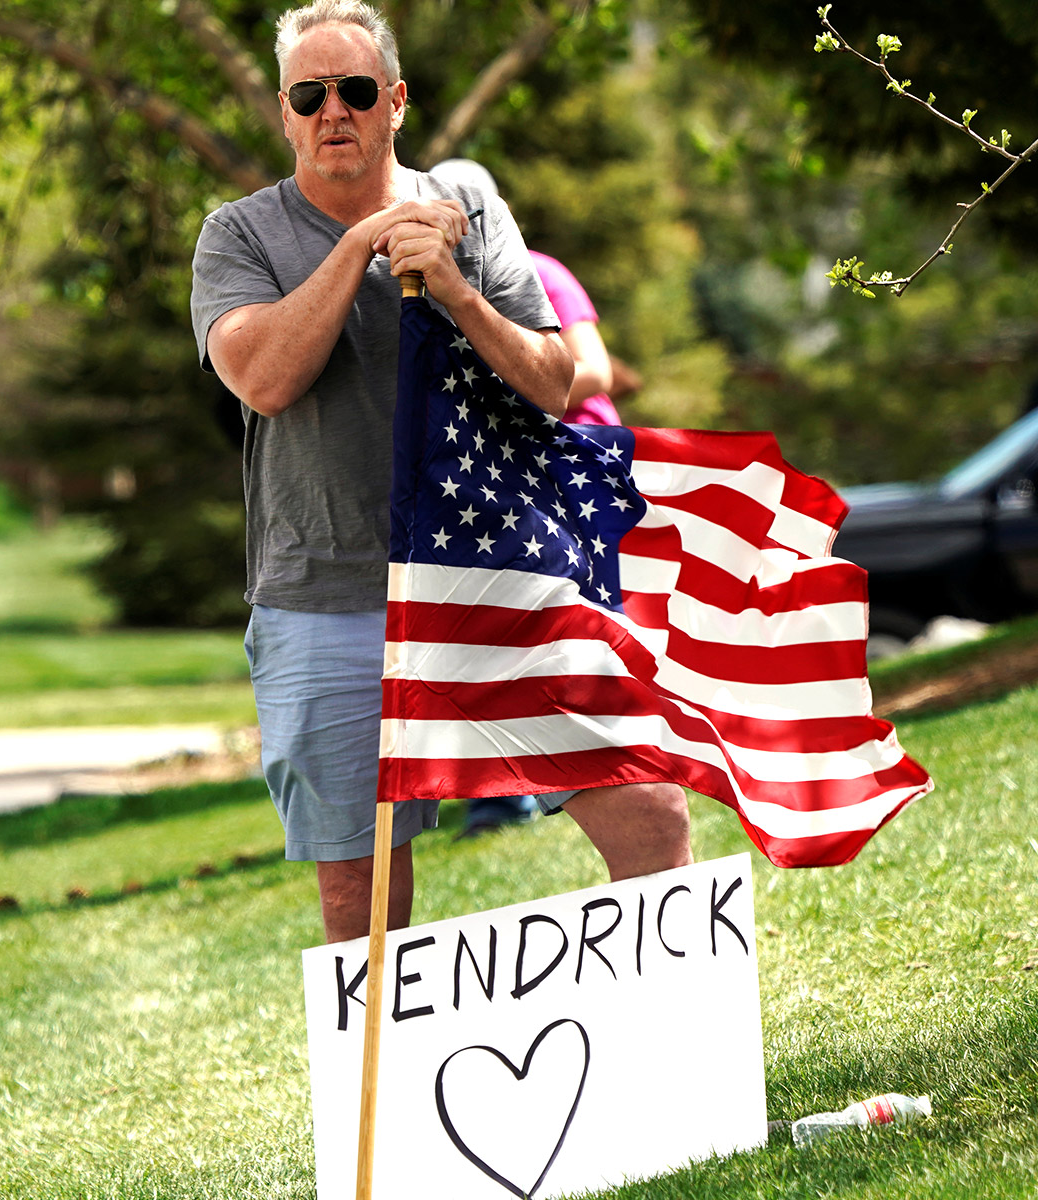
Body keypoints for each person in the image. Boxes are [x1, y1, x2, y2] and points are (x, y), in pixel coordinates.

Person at [189, 0, 691, 944]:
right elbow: (263, 379)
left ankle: (668, 1070)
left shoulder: (472, 213)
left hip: (492, 575)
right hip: (324, 599)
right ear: (286, 115)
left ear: (396, 101)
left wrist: (454, 286)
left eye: (355, 89)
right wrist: (358, 243)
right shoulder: (238, 238)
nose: (332, 109)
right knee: (362, 898)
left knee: (647, 812)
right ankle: (393, 1096)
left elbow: (552, 382)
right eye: (309, 94)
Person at [427, 160, 630, 839]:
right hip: (505, 483)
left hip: (575, 468)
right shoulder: (426, 288)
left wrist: (507, 396)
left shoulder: (537, 269)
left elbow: (594, 369)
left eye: (474, 207)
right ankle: (502, 789)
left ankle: (619, 762)